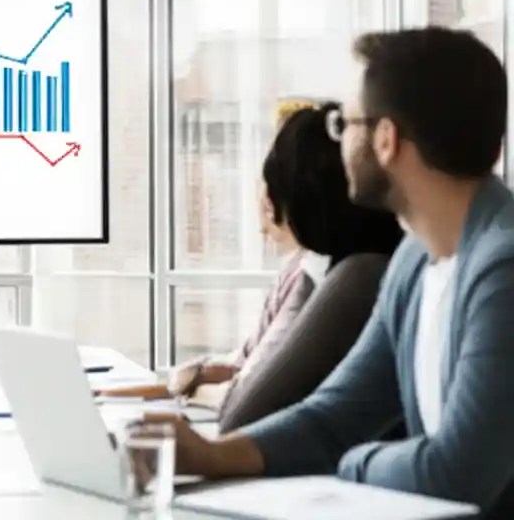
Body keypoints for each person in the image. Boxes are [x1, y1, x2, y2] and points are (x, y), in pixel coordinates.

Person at [157, 27, 514, 516]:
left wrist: (349, 464)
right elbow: (336, 413)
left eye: (344, 124)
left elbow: (456, 473)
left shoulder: (502, 269)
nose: (339, 140)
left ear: (386, 139)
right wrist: (211, 456)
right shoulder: (414, 261)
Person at [105, 101, 402, 417]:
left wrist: (196, 389)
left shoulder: (350, 277)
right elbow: (247, 364)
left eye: (347, 124)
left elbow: (244, 406)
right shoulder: (330, 269)